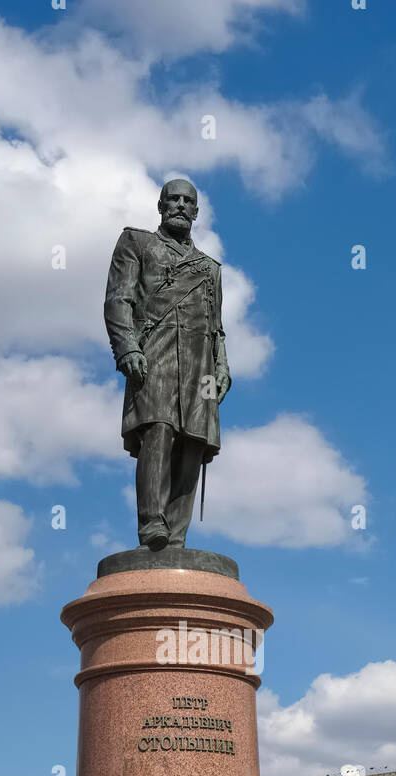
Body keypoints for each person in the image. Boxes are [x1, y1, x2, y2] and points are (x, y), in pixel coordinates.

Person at [104, 178, 231, 550]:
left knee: (194, 443)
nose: (179, 205)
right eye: (172, 198)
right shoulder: (137, 243)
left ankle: (176, 538)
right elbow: (118, 300)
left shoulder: (211, 268)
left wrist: (222, 366)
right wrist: (126, 347)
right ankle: (152, 524)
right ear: (160, 206)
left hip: (200, 365)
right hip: (155, 352)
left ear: (196, 211)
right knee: (158, 430)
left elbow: (217, 328)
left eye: (187, 200)